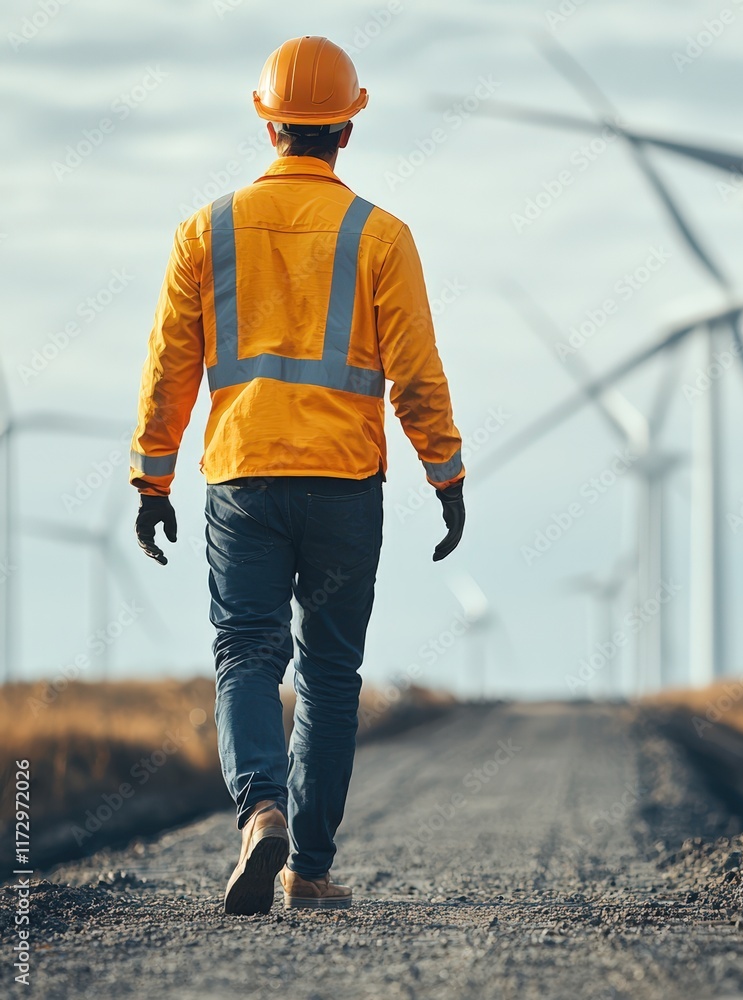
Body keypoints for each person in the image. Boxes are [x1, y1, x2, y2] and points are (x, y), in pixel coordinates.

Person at [128, 35, 465, 915]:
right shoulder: (382, 236)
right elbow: (417, 375)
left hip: (242, 478)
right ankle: (308, 869)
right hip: (345, 485)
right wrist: (447, 472)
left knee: (245, 650)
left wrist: (152, 476)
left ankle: (260, 810)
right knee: (330, 675)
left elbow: (172, 364)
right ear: (347, 130)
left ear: (269, 122)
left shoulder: (206, 231)